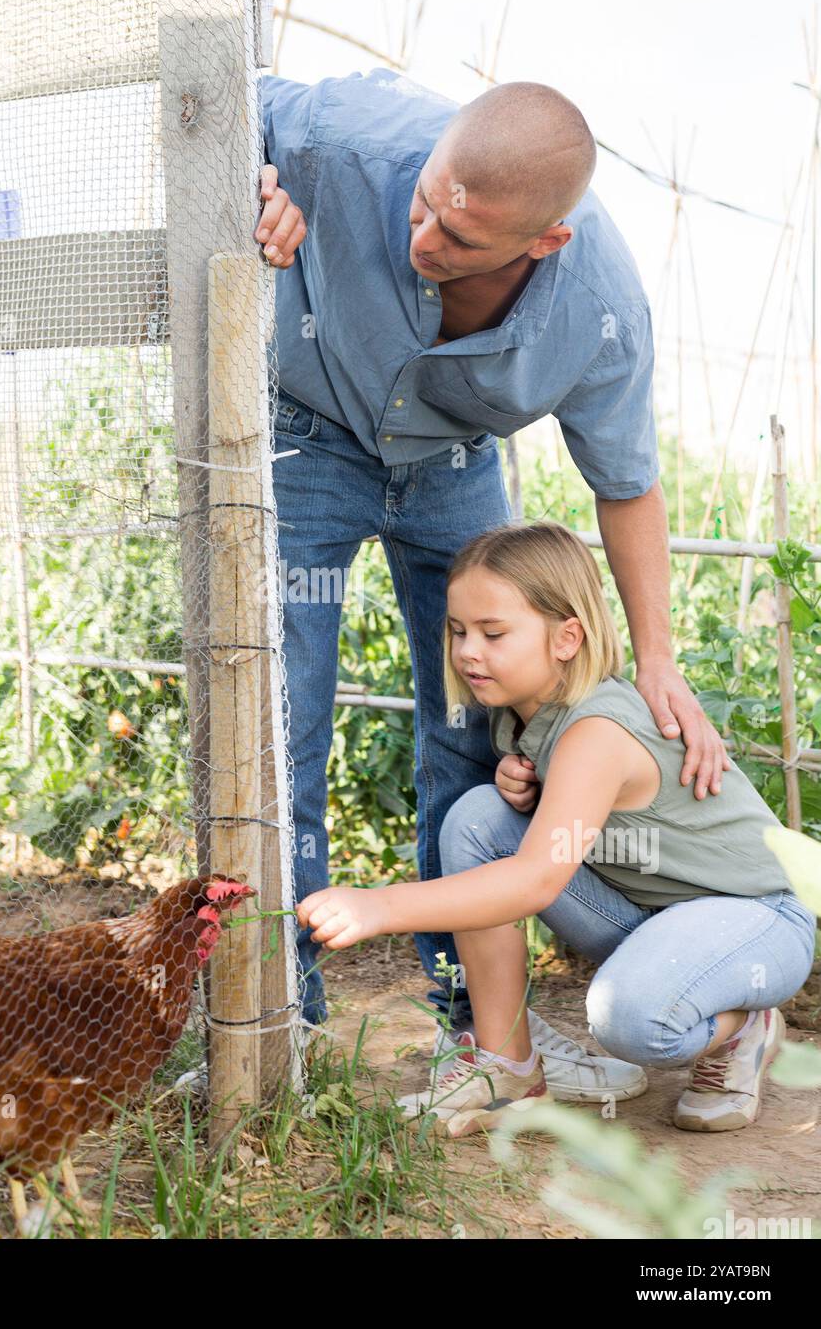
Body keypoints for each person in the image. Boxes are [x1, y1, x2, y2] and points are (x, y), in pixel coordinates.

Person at [256, 68, 730, 1104]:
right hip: (307, 438)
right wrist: (246, 187)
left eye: (461, 241)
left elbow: (628, 485)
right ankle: (275, 1014)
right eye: (424, 204)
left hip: (454, 464)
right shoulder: (348, 134)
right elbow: (216, 103)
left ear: (543, 242)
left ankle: (475, 1029)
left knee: (477, 736)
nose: (425, 240)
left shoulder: (597, 306)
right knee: (278, 719)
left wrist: (656, 656)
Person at [296, 522, 817, 1135]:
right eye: (458, 630)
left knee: (630, 1019)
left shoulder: (596, 730)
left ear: (567, 637)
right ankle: (508, 1067)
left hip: (758, 919)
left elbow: (537, 880)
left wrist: (379, 906)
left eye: (493, 633)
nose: (468, 651)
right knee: (479, 819)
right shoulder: (528, 715)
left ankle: (743, 1029)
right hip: (658, 917)